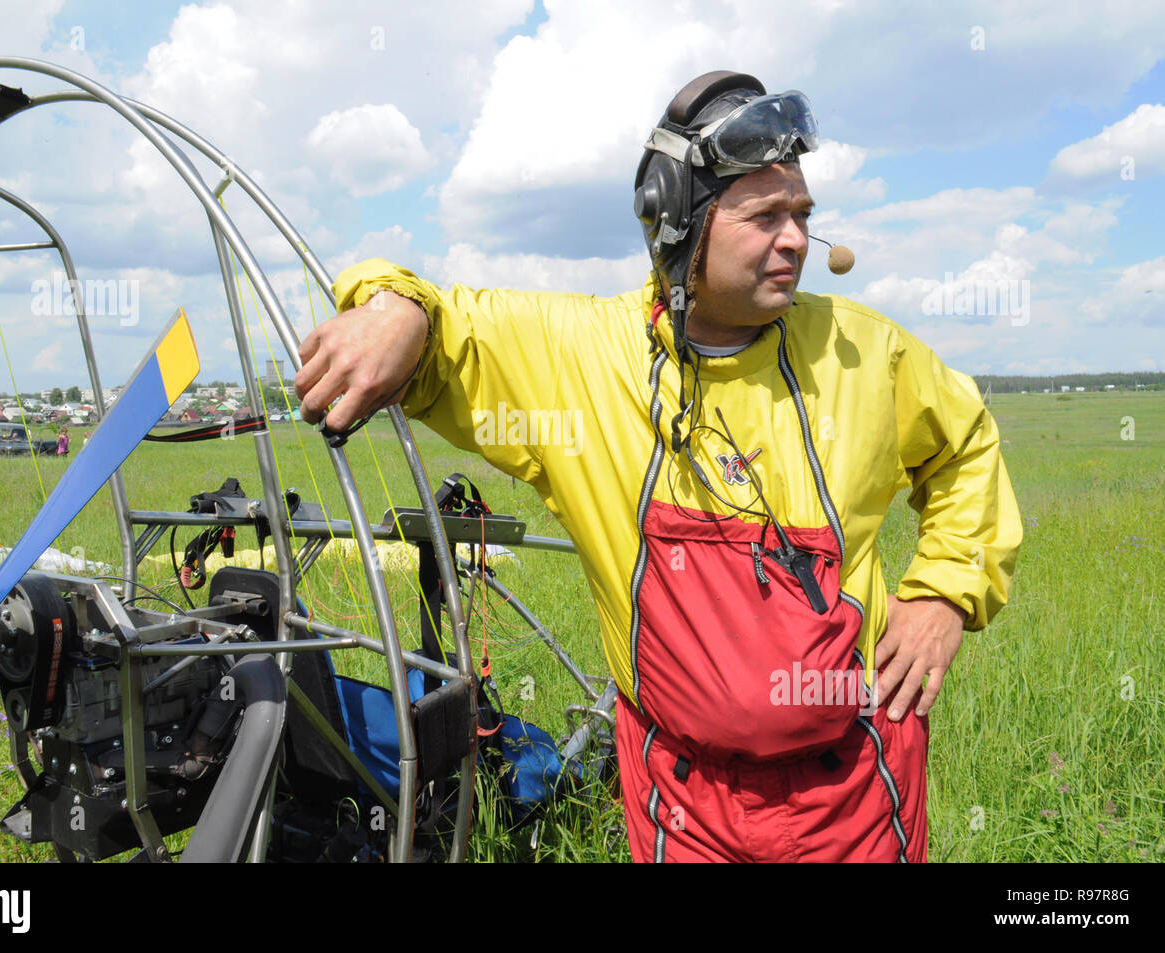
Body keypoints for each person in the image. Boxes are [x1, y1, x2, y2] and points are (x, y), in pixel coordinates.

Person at [294, 71, 1022, 862]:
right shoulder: (584, 362)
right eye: (766, 215)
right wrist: (393, 310)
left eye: (803, 215)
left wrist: (945, 592)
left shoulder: (866, 352)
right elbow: (441, 326)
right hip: (681, 804)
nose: (797, 240)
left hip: (851, 788)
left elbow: (965, 446)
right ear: (679, 222)